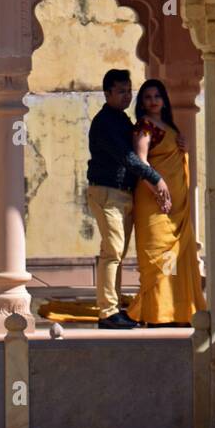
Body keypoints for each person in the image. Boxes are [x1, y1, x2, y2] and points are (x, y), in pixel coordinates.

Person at [87, 69, 171, 329]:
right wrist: (156, 179)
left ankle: (113, 310)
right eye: (121, 91)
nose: (126, 96)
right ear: (107, 93)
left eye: (128, 90)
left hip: (123, 193)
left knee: (117, 253)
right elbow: (128, 157)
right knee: (112, 252)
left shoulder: (122, 120)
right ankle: (108, 312)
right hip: (106, 191)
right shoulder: (105, 122)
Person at [126, 78, 207, 327]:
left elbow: (171, 156)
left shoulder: (168, 127)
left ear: (163, 100)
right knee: (160, 255)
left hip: (177, 207)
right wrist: (159, 190)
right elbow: (141, 162)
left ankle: (174, 310)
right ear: (142, 102)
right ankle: (158, 311)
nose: (153, 101)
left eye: (157, 96)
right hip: (154, 202)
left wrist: (184, 146)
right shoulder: (144, 127)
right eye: (148, 97)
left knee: (175, 254)